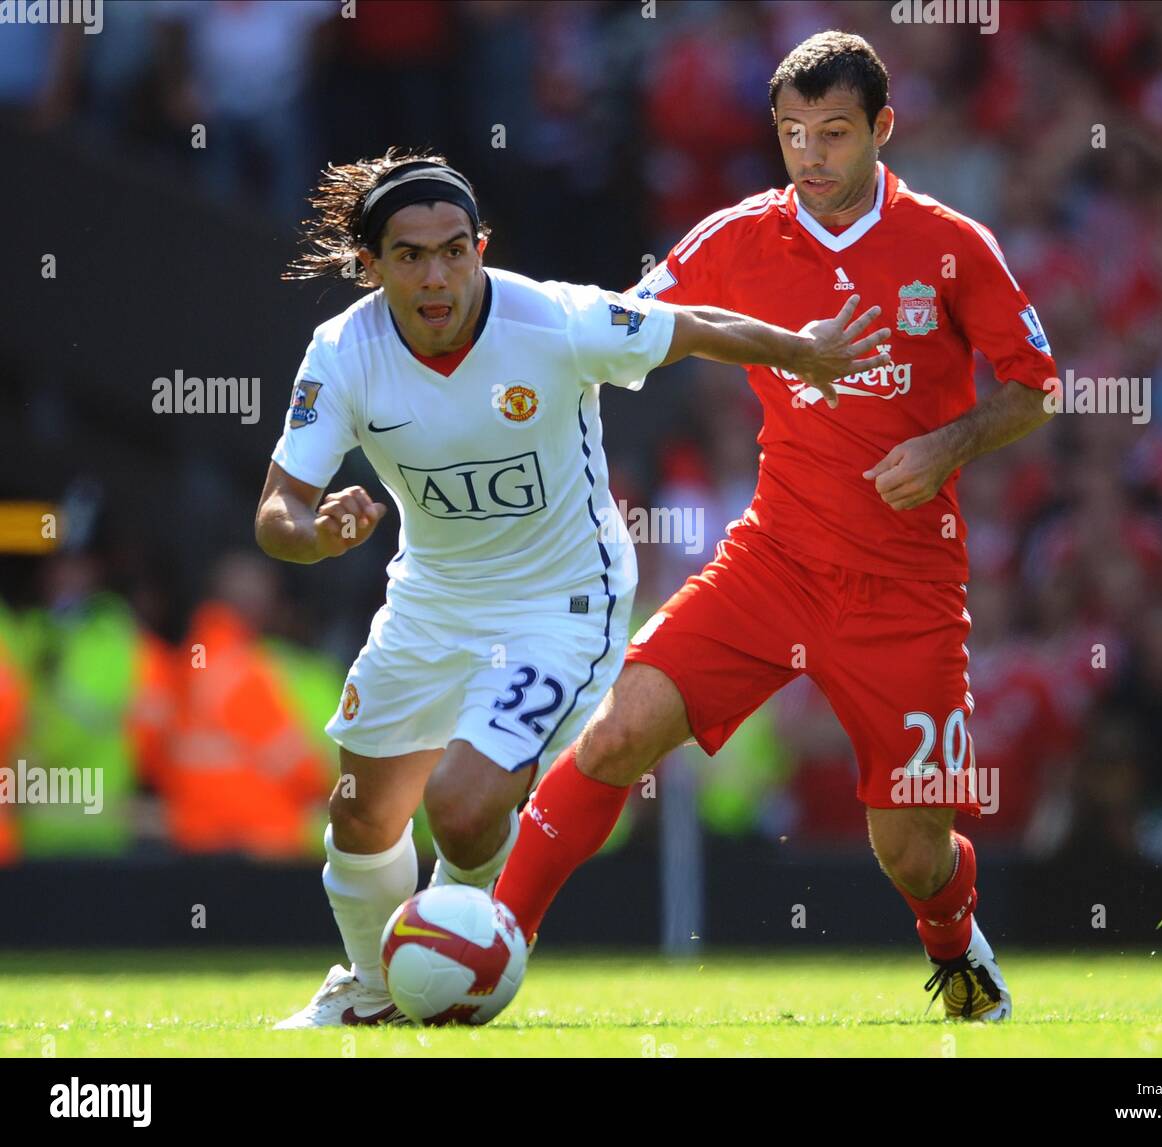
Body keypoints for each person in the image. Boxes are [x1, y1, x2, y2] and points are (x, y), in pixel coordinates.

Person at [495, 31, 1061, 1022]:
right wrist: (527, 356)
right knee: (618, 732)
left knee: (909, 849)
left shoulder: (950, 245)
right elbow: (628, 328)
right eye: (792, 133)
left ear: (881, 129)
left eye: (834, 133)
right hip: (773, 561)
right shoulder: (734, 240)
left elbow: (1035, 388)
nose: (810, 155)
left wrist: (945, 446)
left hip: (905, 591)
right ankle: (489, 948)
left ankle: (953, 941)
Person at [255, 150, 891, 1027]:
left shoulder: (553, 319)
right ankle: (374, 986)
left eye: (454, 250)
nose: (437, 275)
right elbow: (275, 510)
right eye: (409, 255)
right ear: (372, 266)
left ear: (482, 246)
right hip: (429, 601)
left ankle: (459, 957)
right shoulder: (343, 353)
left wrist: (803, 351)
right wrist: (316, 533)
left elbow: (692, 324)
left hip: (562, 604)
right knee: (361, 818)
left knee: (465, 806)